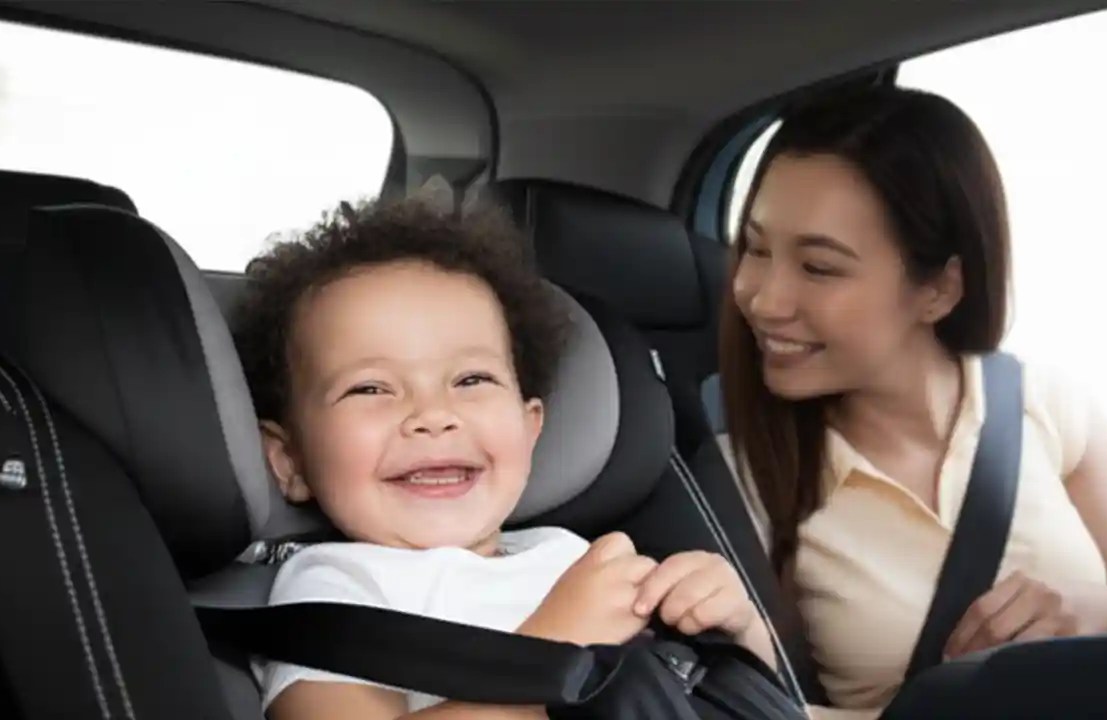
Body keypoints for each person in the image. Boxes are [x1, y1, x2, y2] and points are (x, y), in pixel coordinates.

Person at [716, 86, 1107, 719]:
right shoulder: (737, 478)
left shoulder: (1045, 402)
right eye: (755, 248)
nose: (761, 296)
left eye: (818, 267)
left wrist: (1101, 609)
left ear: (940, 289)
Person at [231, 196, 775, 720]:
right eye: (370, 388)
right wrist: (550, 652)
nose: (433, 414)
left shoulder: (567, 554)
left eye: (471, 379)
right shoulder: (334, 591)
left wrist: (737, 633)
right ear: (289, 461)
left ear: (529, 427)